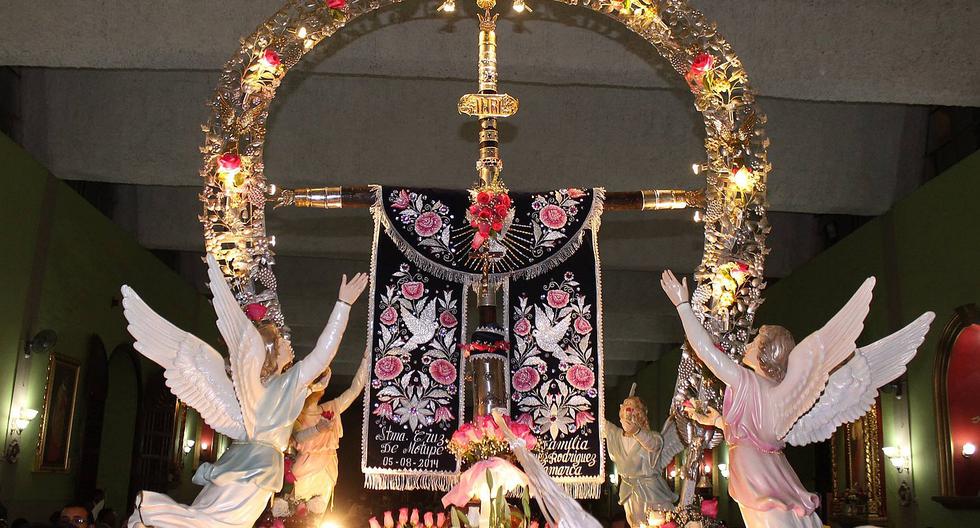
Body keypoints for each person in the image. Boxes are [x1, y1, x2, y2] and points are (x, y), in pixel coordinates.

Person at [121, 256, 369, 528]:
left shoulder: (268, 389)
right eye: (282, 344)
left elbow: (320, 367)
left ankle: (150, 514)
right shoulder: (283, 385)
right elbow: (323, 354)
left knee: (213, 521)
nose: (289, 347)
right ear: (271, 355)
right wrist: (342, 306)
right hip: (254, 470)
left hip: (248, 467)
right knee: (216, 523)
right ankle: (150, 511)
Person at [291, 350, 371, 504]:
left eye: (320, 383)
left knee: (318, 514)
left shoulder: (331, 408)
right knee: (299, 511)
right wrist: (318, 429)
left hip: (327, 468)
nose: (317, 388)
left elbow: (354, 390)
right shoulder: (296, 415)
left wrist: (365, 361)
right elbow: (297, 437)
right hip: (305, 468)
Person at [602, 388, 680, 527]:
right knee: (635, 523)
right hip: (628, 491)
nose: (626, 409)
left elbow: (652, 444)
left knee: (658, 522)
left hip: (651, 493)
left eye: (631, 407)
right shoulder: (616, 436)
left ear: (639, 413)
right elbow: (600, 423)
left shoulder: (655, 437)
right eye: (624, 405)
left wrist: (636, 431)